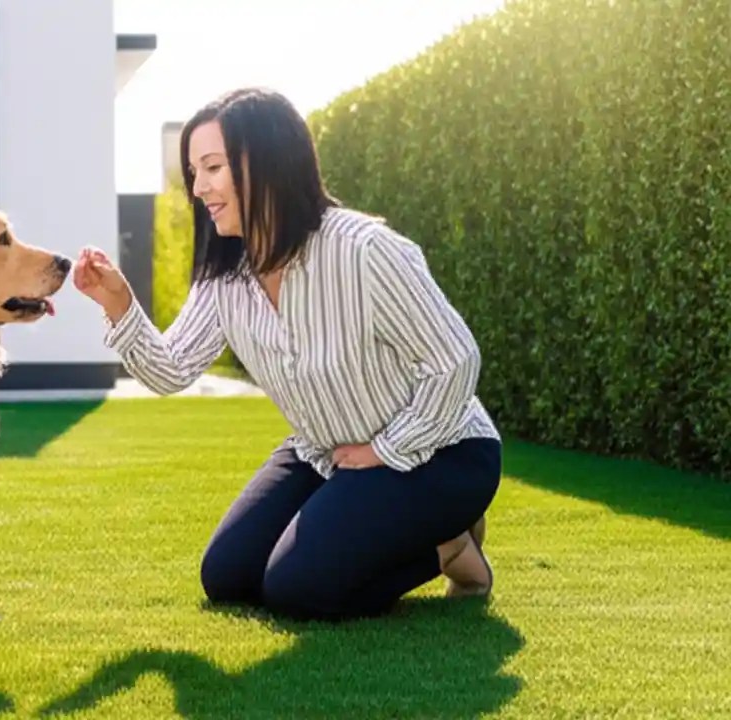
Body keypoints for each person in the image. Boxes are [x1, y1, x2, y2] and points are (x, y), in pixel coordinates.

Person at [73, 87, 502, 622]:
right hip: (326, 452)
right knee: (227, 577)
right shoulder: (226, 275)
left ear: (266, 161)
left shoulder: (364, 249)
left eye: (212, 167)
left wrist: (386, 449)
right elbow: (172, 368)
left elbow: (455, 358)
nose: (199, 188)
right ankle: (399, 532)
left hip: (441, 452)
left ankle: (450, 545)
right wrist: (117, 301)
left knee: (298, 590)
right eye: (194, 172)